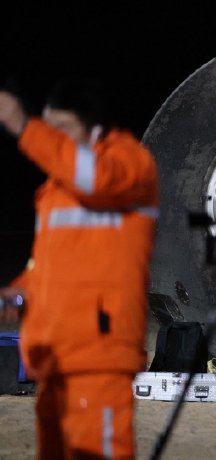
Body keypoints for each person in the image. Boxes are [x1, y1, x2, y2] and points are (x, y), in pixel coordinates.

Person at [0, 77, 159, 458]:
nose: (53, 138)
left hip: (97, 356)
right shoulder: (57, 190)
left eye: (63, 128)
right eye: (48, 127)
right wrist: (20, 292)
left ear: (93, 126)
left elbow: (95, 179)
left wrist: (24, 126)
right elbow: (51, 265)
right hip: (53, 360)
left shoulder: (129, 164)